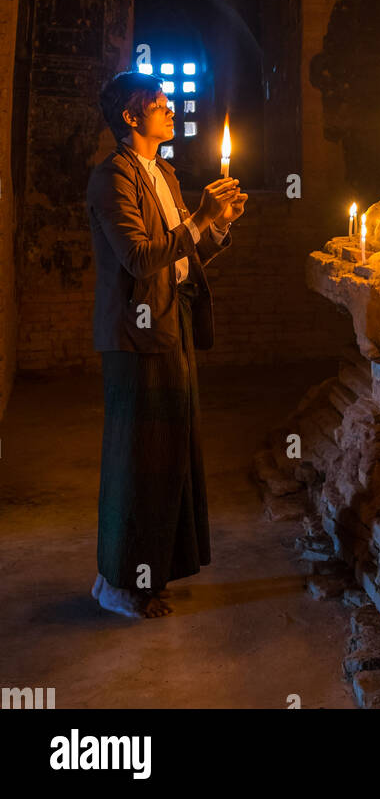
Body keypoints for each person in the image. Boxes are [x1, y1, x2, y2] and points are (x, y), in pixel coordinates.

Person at [86, 71, 247, 618]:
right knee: (138, 459)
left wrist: (216, 227)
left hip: (170, 324)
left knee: (171, 455)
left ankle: (149, 574)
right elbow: (137, 257)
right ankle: (117, 582)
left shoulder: (164, 174)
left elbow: (178, 259)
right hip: (135, 336)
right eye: (157, 104)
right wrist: (199, 218)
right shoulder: (112, 179)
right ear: (131, 118)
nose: (170, 108)